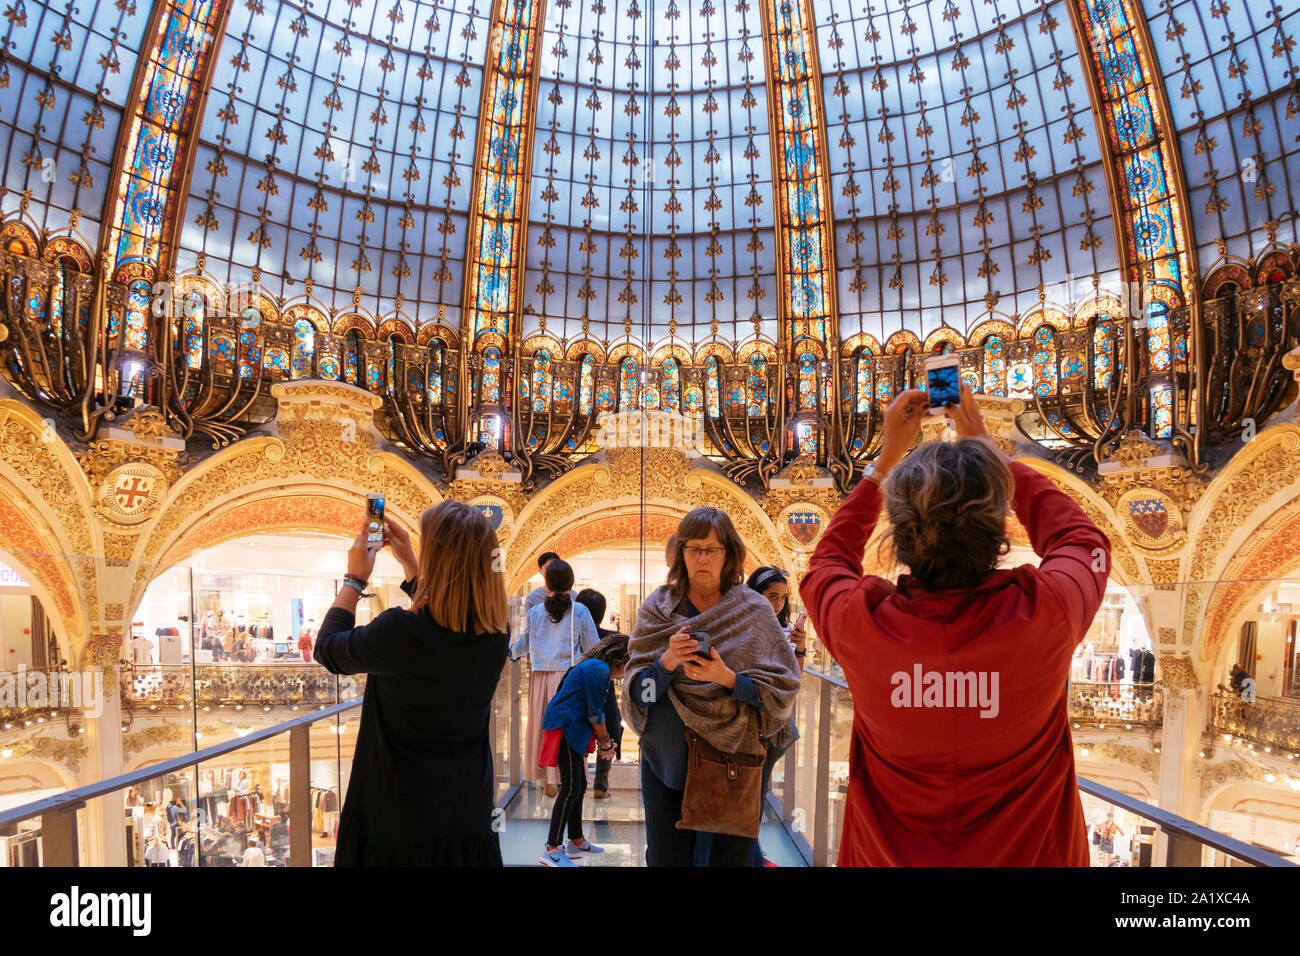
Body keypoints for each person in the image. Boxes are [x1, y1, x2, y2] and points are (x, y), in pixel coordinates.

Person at [800, 384, 1111, 866]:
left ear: (900, 533)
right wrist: (986, 446)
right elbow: (1082, 540)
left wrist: (883, 462)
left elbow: (824, 566)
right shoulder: (1045, 612)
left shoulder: (861, 624)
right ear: (998, 527)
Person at [314, 500, 511, 865]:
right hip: (465, 808)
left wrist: (355, 579)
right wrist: (410, 564)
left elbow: (328, 649)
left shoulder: (399, 632)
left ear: (438, 560)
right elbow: (447, 614)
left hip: (400, 813)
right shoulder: (495, 632)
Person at [623, 507, 801, 867]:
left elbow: (780, 692)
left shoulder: (753, 610)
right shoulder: (657, 608)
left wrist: (726, 678)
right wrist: (667, 663)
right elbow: (640, 697)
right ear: (682, 553)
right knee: (666, 858)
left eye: (713, 549)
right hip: (667, 760)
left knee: (730, 860)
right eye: (694, 548)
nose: (703, 558)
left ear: (728, 554)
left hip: (733, 761)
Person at [539, 634, 631, 866]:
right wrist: (605, 742)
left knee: (578, 786)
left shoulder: (596, 667)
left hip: (570, 726)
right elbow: (595, 711)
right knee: (571, 789)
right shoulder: (598, 670)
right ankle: (551, 849)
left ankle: (576, 840)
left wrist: (604, 740)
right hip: (566, 726)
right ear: (620, 659)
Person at [512, 559, 599, 797]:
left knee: (544, 729)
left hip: (541, 678)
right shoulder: (580, 611)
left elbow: (524, 645)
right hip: (570, 677)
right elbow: (593, 647)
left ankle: (547, 779)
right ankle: (569, 779)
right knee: (570, 730)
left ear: (547, 583)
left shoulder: (535, 612)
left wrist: (509, 654)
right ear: (571, 583)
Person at [745, 565, 807, 866]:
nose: (778, 604)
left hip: (774, 723)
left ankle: (753, 855)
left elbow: (794, 682)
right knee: (747, 792)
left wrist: (800, 648)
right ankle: (751, 855)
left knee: (756, 790)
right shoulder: (742, 625)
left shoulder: (782, 630)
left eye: (782, 597)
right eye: (772, 596)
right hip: (746, 719)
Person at [575, 588, 621, 800]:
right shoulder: (612, 638)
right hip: (605, 696)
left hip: (578, 695)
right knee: (609, 731)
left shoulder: (572, 638)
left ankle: (570, 782)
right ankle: (600, 786)